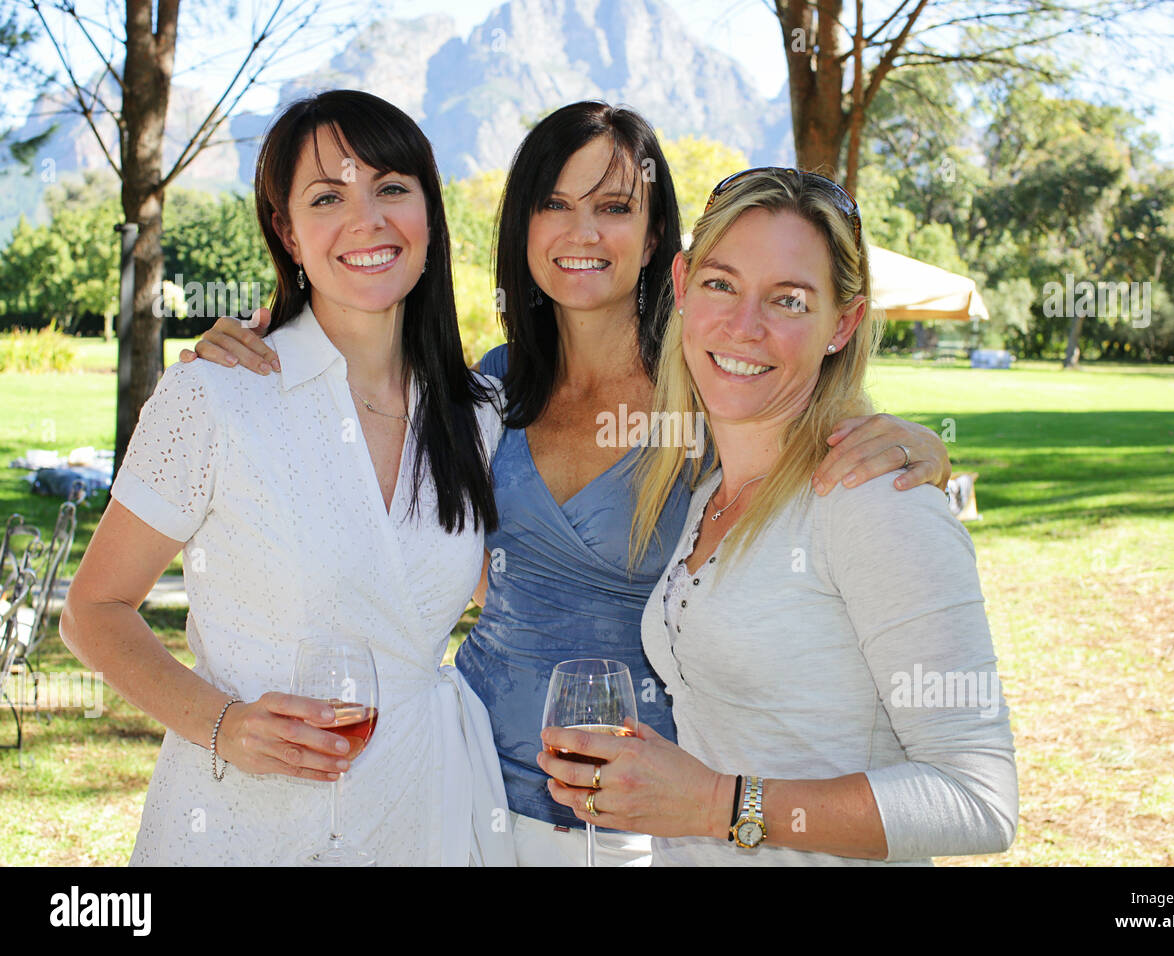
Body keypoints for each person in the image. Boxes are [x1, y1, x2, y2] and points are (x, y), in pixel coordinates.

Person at [183, 104, 955, 865]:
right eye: (553, 204)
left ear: (657, 238)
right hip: (466, 775)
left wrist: (919, 443)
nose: (581, 233)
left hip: (640, 813)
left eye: (614, 207)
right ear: (523, 228)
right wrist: (240, 356)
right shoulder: (487, 387)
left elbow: (800, 426)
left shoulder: (712, 391)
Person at [61, 90, 515, 865]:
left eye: (392, 188)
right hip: (245, 822)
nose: (367, 220)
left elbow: (504, 589)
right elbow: (92, 611)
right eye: (328, 197)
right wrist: (222, 723)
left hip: (426, 811)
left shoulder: (481, 413)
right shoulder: (215, 393)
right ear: (287, 232)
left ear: (430, 218)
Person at [538, 167, 1017, 865]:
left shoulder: (876, 502)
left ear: (843, 324)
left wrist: (716, 804)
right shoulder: (705, 490)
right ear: (680, 286)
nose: (743, 327)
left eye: (789, 301)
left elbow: (977, 800)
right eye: (721, 284)